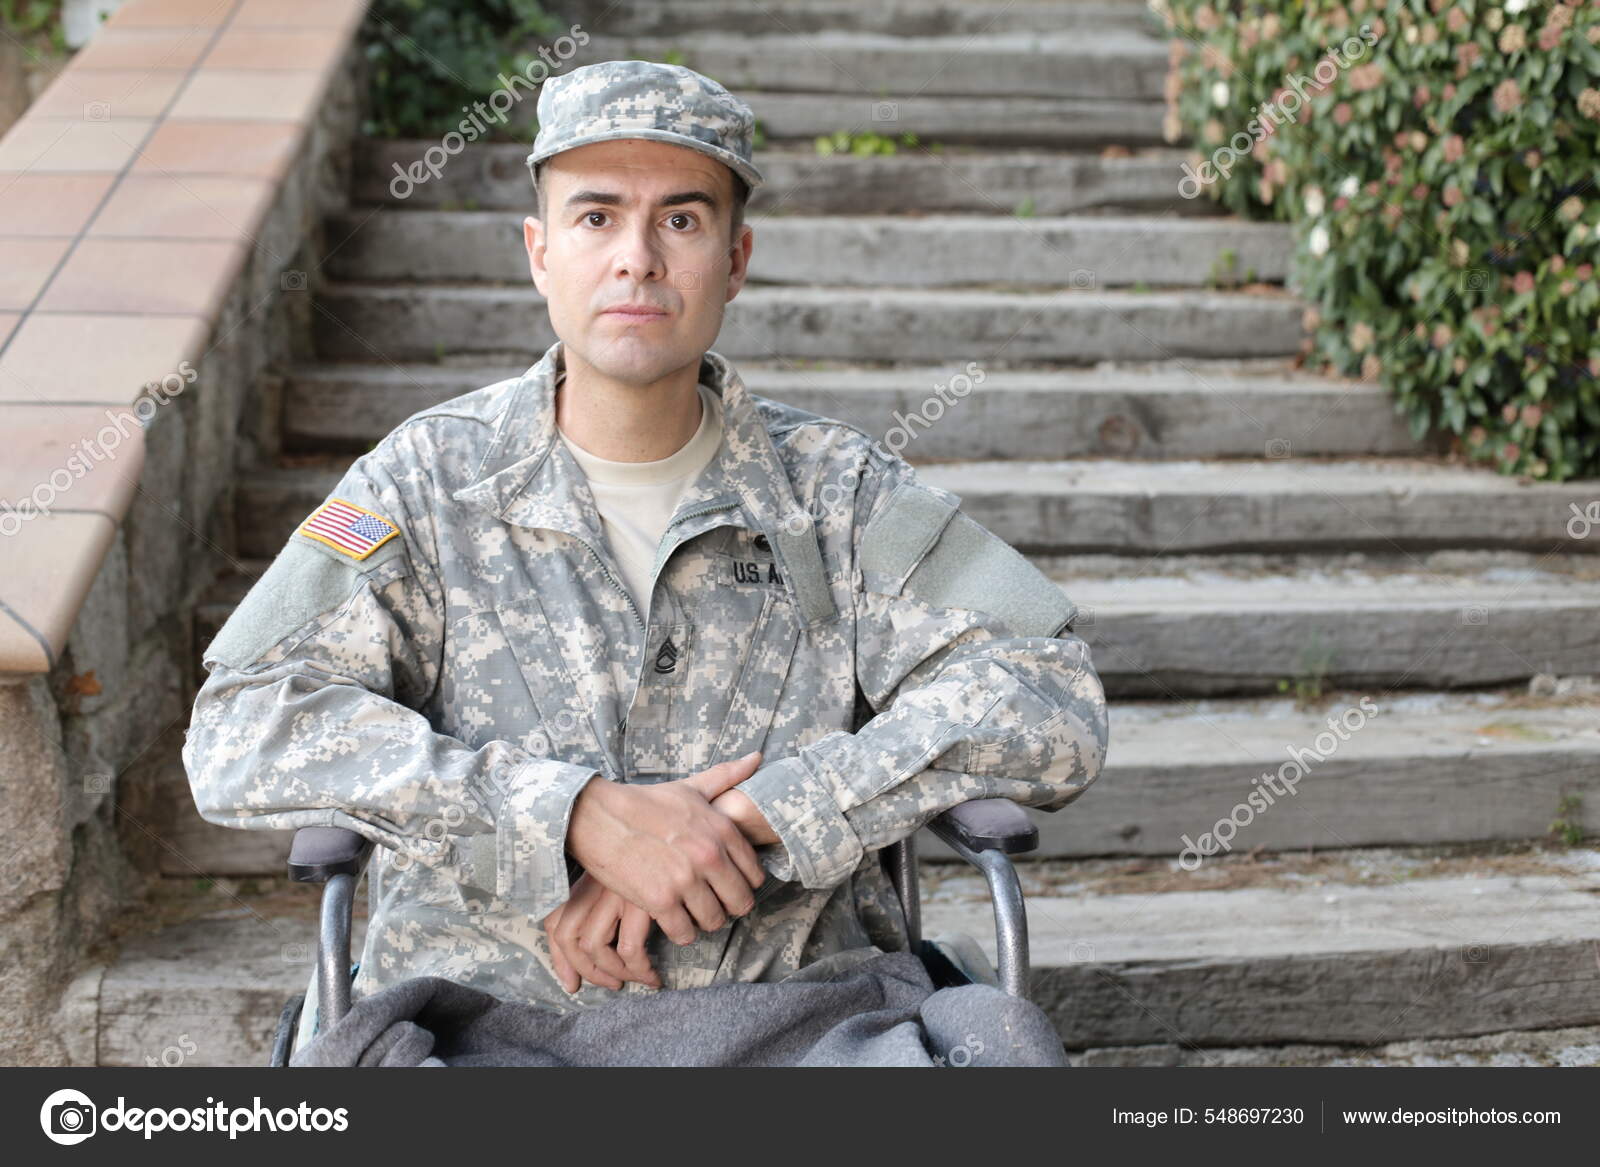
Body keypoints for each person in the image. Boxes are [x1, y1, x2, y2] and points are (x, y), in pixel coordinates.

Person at [182, 59, 1110, 1014]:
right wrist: (572, 816)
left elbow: (1047, 686)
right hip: (485, 1026)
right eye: (596, 217)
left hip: (797, 1023)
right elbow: (243, 720)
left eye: (681, 219)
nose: (638, 257)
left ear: (736, 259)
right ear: (539, 252)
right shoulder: (420, 483)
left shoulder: (839, 489)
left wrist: (760, 817)